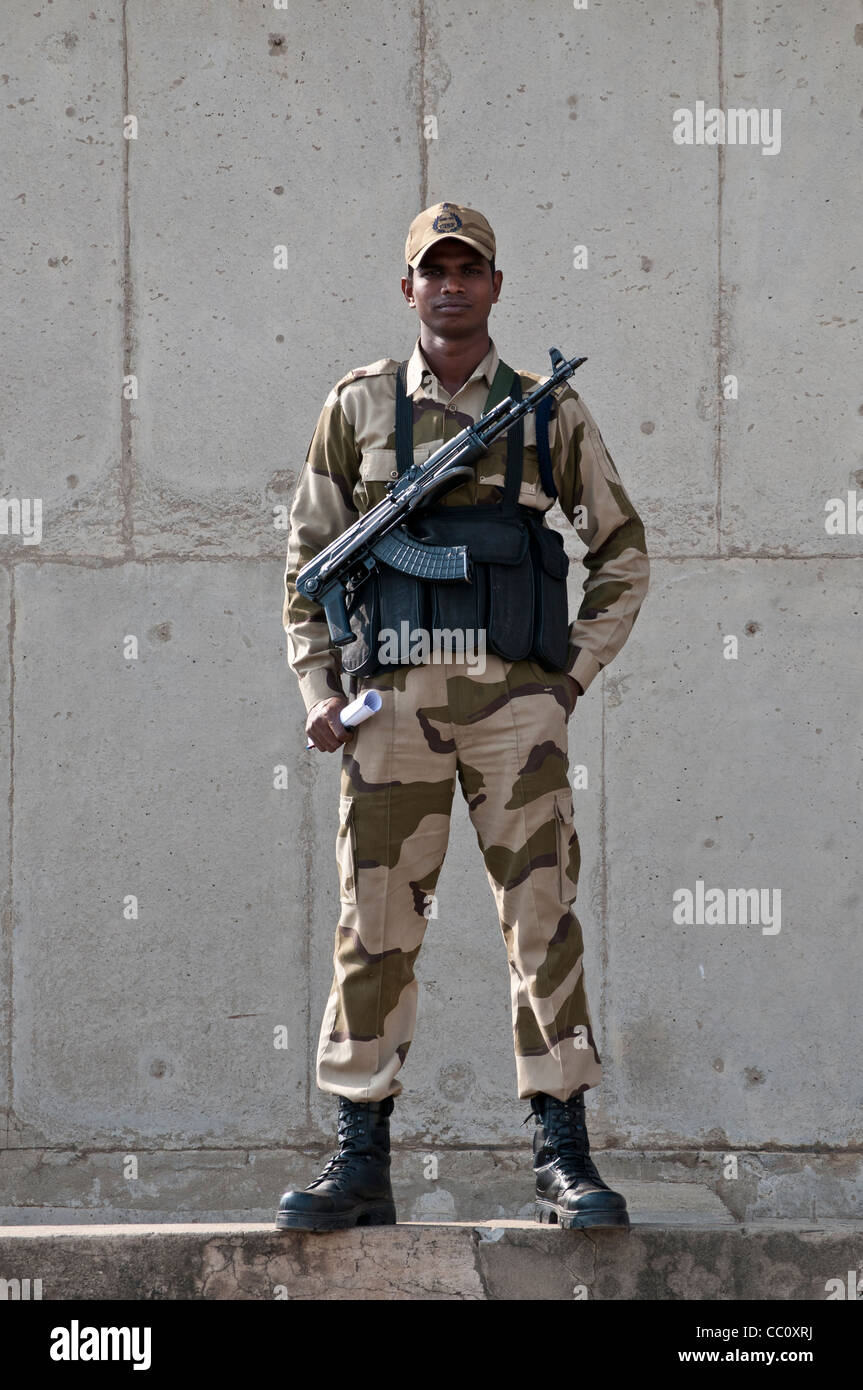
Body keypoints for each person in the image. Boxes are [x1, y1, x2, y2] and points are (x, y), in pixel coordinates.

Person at [277, 201, 649, 1232]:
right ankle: (359, 1159)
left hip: (510, 707)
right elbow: (306, 571)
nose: (449, 284)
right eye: (431, 270)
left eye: (467, 269)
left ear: (494, 284)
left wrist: (564, 678)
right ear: (407, 289)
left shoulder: (542, 411)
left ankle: (561, 1154)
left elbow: (621, 550)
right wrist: (320, 693)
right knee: (375, 925)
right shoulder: (354, 409)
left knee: (540, 921)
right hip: (387, 701)